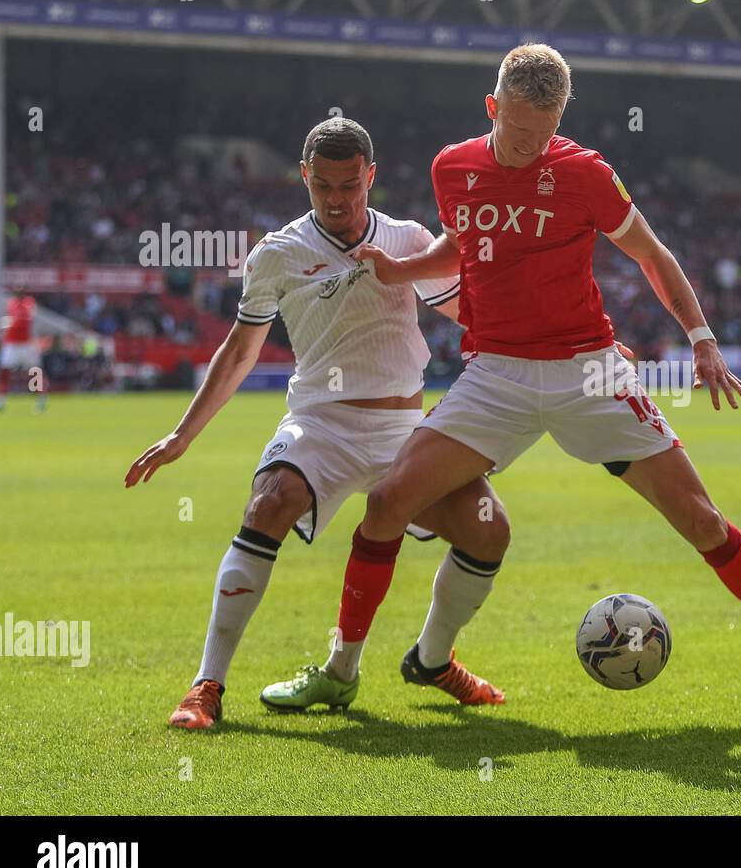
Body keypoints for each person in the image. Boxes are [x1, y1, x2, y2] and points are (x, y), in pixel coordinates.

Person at [267, 44, 741, 710]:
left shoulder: (586, 173)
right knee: (387, 503)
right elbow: (465, 245)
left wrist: (701, 339)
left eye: (547, 130)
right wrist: (404, 271)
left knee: (700, 520)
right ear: (492, 107)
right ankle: (341, 670)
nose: (534, 145)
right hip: (495, 373)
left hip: (589, 372)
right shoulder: (453, 167)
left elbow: (651, 252)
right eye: (520, 129)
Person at [126, 118, 511, 730]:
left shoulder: (410, 240)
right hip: (321, 426)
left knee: (489, 530)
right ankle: (207, 685)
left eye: (351, 185)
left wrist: (571, 350)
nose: (337, 198)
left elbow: (478, 315)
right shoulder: (277, 254)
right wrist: (182, 435)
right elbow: (240, 350)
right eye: (324, 185)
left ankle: (433, 661)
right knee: (271, 501)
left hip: (404, 431)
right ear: (305, 177)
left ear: (371, 178)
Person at [0, 291, 46, 413]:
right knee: (4, 373)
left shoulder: (29, 303)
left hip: (25, 344)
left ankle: (41, 399)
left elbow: (26, 319)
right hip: (11, 344)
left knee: (34, 373)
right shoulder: (11, 303)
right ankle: (0, 401)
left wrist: (11, 322)